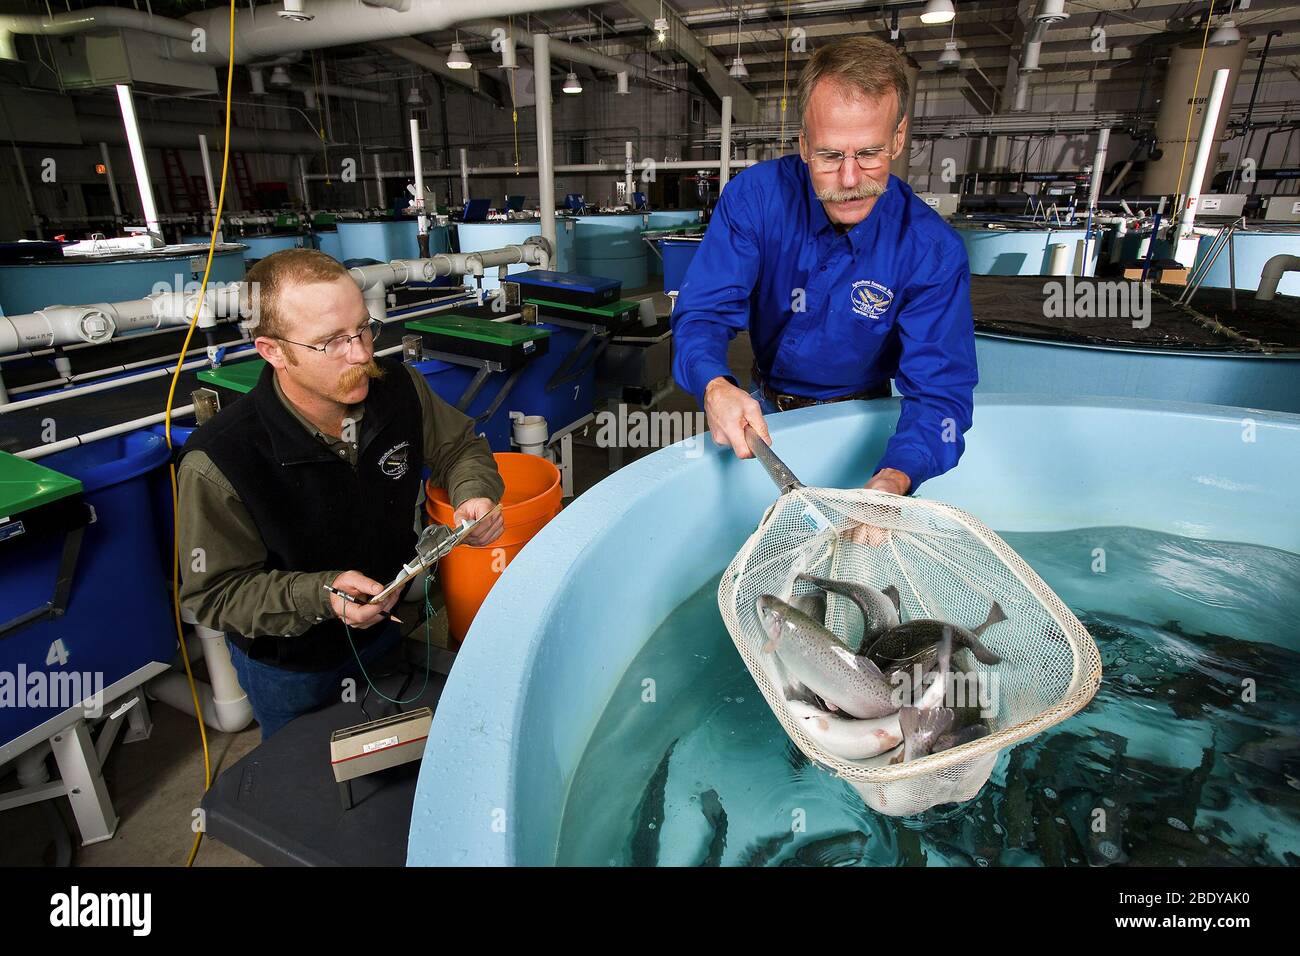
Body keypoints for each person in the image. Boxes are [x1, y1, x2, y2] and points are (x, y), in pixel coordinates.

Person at [178, 249, 504, 739]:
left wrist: (473, 495)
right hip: (293, 666)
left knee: (391, 755)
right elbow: (214, 594)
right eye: (330, 342)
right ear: (273, 351)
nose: (361, 354)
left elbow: (460, 446)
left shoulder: (402, 391)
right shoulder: (219, 461)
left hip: (387, 631)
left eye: (363, 329)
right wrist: (322, 595)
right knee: (305, 786)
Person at [672, 36, 977, 496]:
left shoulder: (931, 250)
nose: (850, 180)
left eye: (869, 154)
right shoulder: (756, 199)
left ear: (898, 138)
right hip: (764, 415)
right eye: (830, 155)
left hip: (864, 425)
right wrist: (715, 385)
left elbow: (940, 393)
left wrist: (894, 479)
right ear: (804, 143)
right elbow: (702, 312)